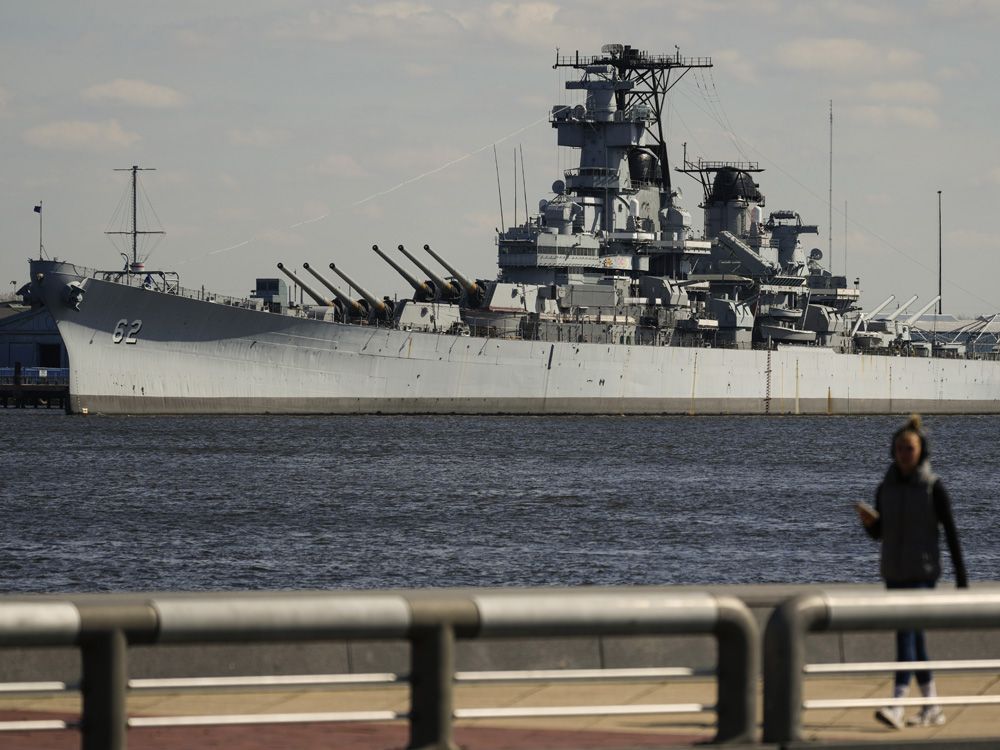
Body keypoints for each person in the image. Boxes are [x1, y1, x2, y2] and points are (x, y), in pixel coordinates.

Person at [856, 414, 968, 730]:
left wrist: (961, 577)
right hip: (894, 572)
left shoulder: (934, 487)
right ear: (893, 451)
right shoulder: (885, 489)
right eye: (901, 448)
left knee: (906, 634)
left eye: (911, 448)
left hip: (922, 573)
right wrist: (869, 525)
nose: (905, 453)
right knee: (915, 640)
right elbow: (881, 533)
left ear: (922, 451)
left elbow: (951, 531)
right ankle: (932, 706)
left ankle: (896, 703)